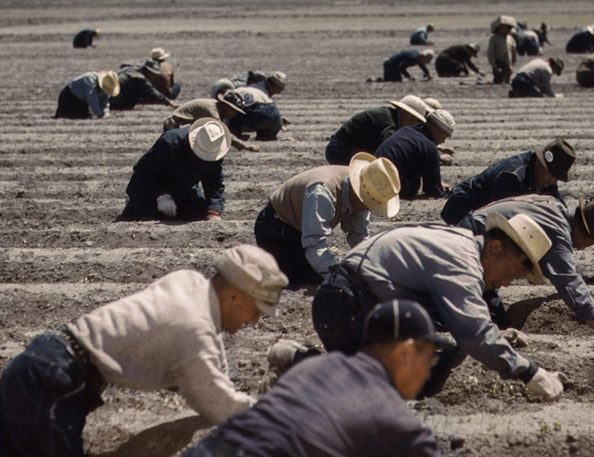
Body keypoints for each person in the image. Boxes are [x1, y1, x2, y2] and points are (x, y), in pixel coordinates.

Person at [0, 244, 289, 457]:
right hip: (54, 384)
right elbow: (217, 402)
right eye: (255, 311)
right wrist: (269, 416)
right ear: (234, 295)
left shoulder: (187, 281)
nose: (253, 321)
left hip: (44, 363)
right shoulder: (193, 329)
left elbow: (203, 345)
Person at [306, 211, 567, 400]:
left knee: (438, 354)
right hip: (347, 304)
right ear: (496, 246)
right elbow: (474, 334)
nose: (507, 283)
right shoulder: (462, 262)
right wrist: (530, 373)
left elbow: (464, 327)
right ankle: (298, 366)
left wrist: (493, 337)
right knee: (369, 398)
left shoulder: (460, 242)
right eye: (511, 272)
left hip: (350, 300)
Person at [183, 299, 449, 457]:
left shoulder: (311, 368)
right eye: (429, 358)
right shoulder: (397, 421)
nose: (428, 371)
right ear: (406, 352)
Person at [457, 194, 594, 339]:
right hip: (475, 248)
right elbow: (569, 282)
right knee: (480, 320)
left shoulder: (553, 205)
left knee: (496, 319)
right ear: (587, 237)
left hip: (472, 233)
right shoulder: (559, 234)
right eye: (592, 242)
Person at [254, 152, 401, 287]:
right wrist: (338, 276)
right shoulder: (322, 193)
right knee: (300, 281)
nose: (369, 208)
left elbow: (359, 234)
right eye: (369, 203)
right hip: (276, 230)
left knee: (322, 275)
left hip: (301, 229)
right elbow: (315, 243)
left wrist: (372, 265)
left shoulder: (363, 187)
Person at [117, 118, 230, 222]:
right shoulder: (169, 143)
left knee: (199, 213)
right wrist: (161, 194)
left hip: (184, 190)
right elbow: (142, 175)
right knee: (145, 215)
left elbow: (215, 185)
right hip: (154, 190)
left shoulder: (214, 151)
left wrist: (214, 212)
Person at [441, 138, 575, 225]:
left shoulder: (546, 178)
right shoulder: (512, 176)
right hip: (463, 209)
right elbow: (501, 218)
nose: (554, 181)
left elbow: (559, 208)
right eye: (553, 175)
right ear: (542, 164)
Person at [325, 95, 428, 165]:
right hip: (340, 150)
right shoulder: (388, 124)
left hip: (340, 146)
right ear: (407, 115)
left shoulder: (389, 115)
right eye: (414, 120)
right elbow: (389, 153)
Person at [375, 109, 454, 199]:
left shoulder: (407, 130)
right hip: (388, 185)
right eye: (445, 136)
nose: (443, 141)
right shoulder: (429, 147)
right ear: (437, 131)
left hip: (373, 172)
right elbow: (432, 190)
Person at [162, 92, 259, 152]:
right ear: (225, 105)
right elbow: (223, 132)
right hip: (174, 127)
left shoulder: (215, 106)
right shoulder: (212, 112)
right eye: (233, 110)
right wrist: (244, 145)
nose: (234, 114)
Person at [228, 71, 287, 141]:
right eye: (279, 89)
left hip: (256, 112)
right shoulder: (262, 91)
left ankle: (236, 136)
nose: (280, 92)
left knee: (233, 117)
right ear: (274, 86)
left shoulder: (248, 88)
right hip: (275, 116)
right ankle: (266, 136)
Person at [109, 62, 179, 110]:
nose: (153, 76)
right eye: (152, 73)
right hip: (115, 100)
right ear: (147, 70)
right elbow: (152, 92)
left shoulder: (132, 68)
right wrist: (169, 103)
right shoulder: (139, 78)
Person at [54, 70, 119, 119]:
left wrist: (106, 113)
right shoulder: (90, 79)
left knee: (84, 116)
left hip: (82, 101)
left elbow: (105, 100)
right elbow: (92, 99)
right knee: (66, 116)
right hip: (69, 97)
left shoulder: (106, 86)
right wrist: (100, 114)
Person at [488, 15, 517, 83]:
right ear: (499, 28)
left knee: (507, 83)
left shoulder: (511, 39)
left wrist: (512, 65)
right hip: (498, 64)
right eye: (502, 27)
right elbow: (490, 54)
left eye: (506, 27)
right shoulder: (494, 39)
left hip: (508, 65)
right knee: (498, 82)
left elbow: (514, 53)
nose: (504, 29)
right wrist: (495, 66)